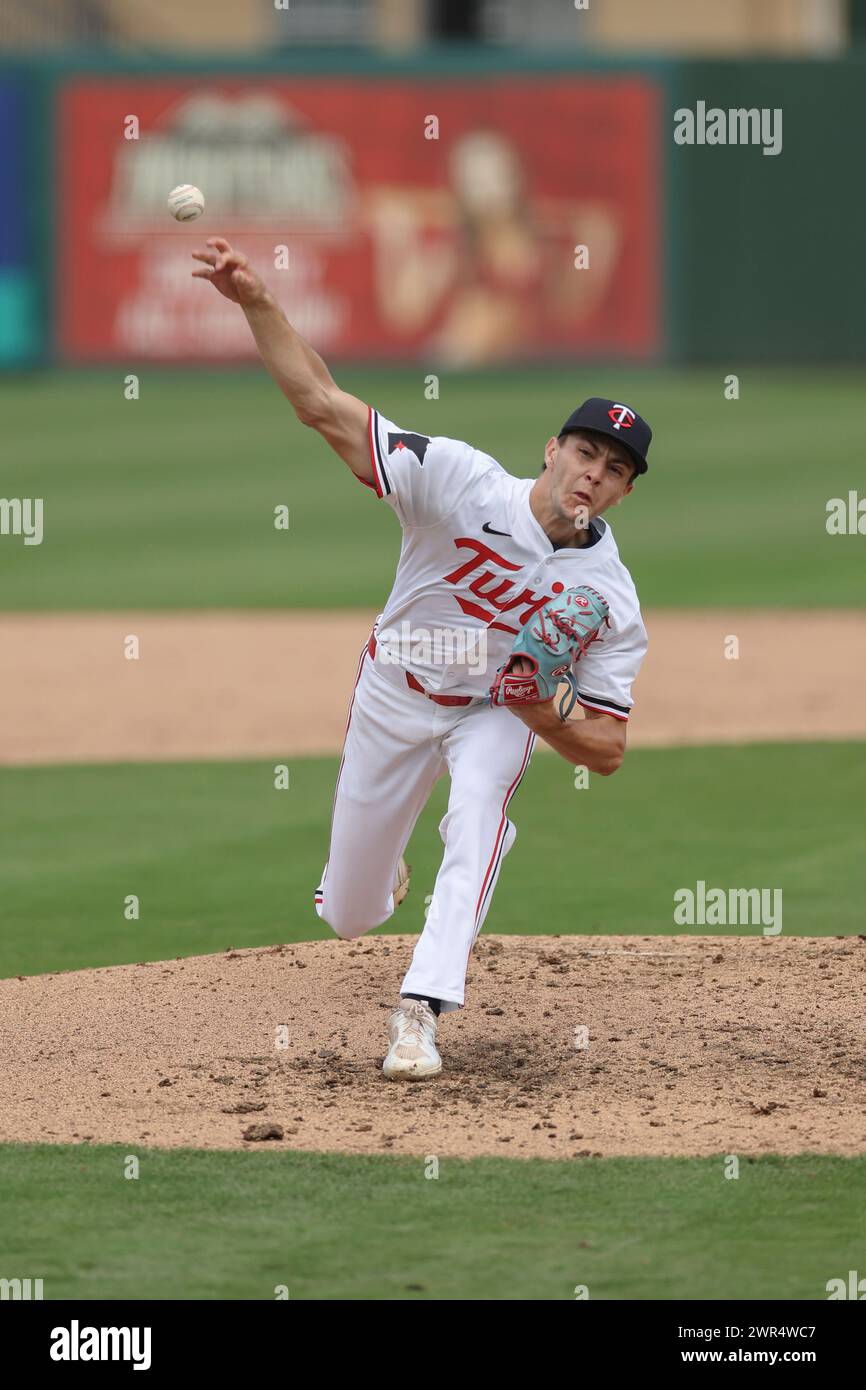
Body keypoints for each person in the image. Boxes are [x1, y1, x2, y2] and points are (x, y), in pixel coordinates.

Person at [192, 237, 651, 1080]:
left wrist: (536, 709)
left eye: (615, 469)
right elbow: (324, 405)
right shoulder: (459, 482)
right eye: (585, 452)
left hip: (493, 714)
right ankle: (379, 873)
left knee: (480, 813)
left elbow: (609, 748)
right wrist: (256, 300)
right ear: (552, 450)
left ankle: (420, 1013)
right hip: (394, 692)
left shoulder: (611, 599)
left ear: (626, 491)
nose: (593, 474)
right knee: (349, 913)